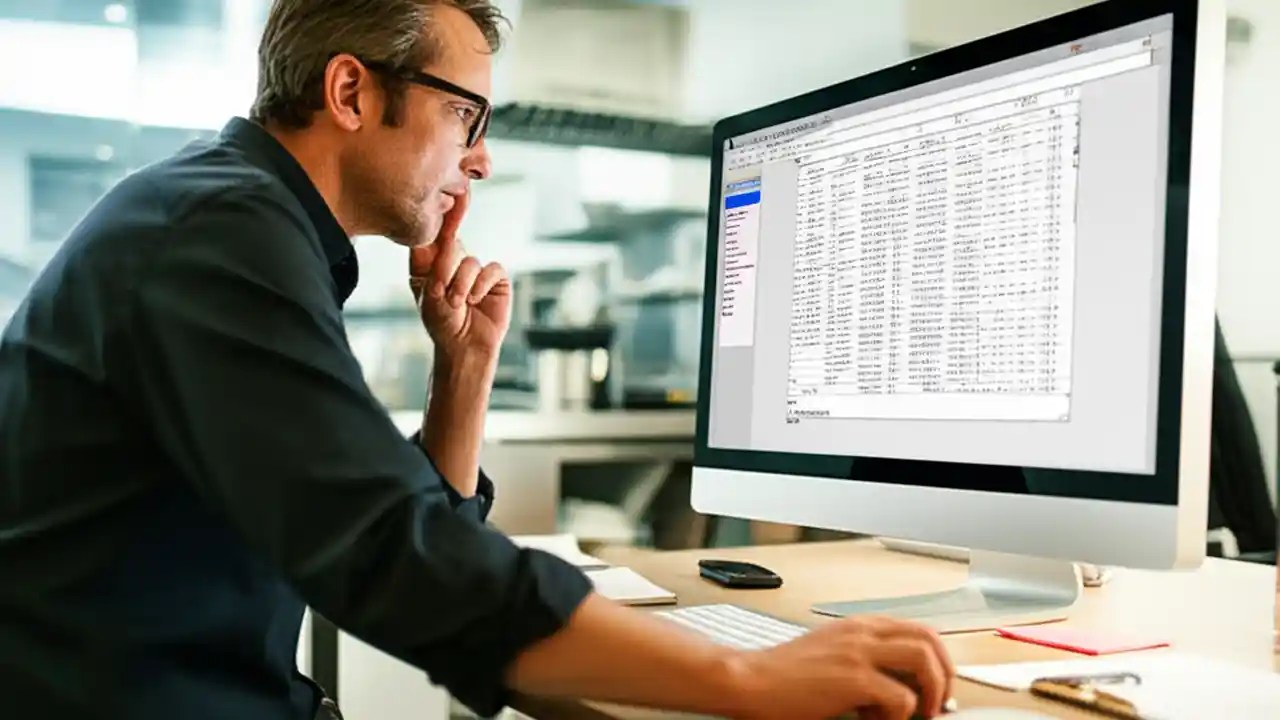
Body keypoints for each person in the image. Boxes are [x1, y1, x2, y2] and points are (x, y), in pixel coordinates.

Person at [0, 1, 955, 719]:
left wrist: (460, 376)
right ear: (350, 91)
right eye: (468, 116)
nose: (482, 160)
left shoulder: (235, 217)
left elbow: (385, 527)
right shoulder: (221, 229)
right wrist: (747, 675)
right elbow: (390, 556)